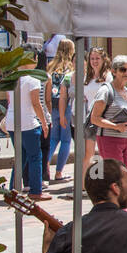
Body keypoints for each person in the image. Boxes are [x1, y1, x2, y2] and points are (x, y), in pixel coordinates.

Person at [6, 46, 51, 201]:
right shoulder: (33, 80)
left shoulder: (11, 78)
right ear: (32, 59)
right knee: (35, 157)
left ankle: (13, 189)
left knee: (20, 156)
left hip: (12, 121)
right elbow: (36, 103)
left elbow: (9, 101)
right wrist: (44, 123)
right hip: (28, 122)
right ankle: (36, 190)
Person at [89, 54, 127, 172]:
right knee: (116, 176)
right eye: (123, 69)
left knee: (123, 175)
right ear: (114, 71)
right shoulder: (105, 91)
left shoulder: (126, 91)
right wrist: (116, 126)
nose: (126, 73)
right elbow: (95, 118)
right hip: (109, 139)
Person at [44, 37, 75, 185]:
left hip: (53, 107)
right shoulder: (70, 69)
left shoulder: (50, 66)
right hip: (66, 106)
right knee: (65, 140)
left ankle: (45, 168)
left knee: (53, 139)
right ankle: (59, 172)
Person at [81, 46, 112, 180]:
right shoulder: (87, 77)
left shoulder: (108, 77)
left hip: (103, 118)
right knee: (88, 154)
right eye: (92, 58)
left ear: (103, 59)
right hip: (89, 119)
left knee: (103, 154)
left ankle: (102, 182)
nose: (94, 61)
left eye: (97, 58)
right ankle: (84, 185)